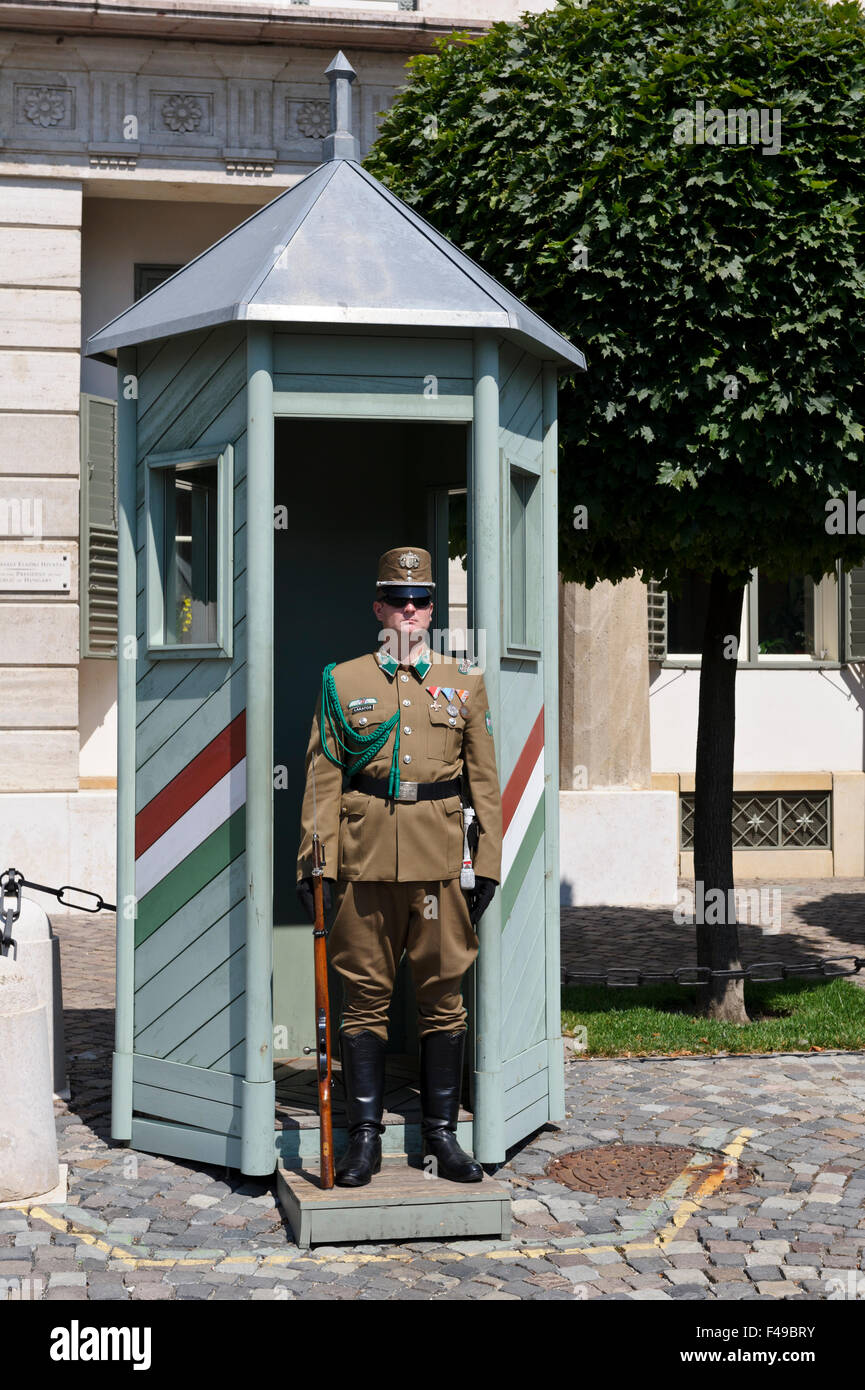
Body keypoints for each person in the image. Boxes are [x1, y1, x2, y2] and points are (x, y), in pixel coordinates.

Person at [296, 545, 502, 1187]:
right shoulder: (344, 681)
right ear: (379, 607)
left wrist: (486, 861)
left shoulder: (462, 682)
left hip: (440, 863)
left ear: (432, 610)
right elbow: (324, 777)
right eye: (397, 600)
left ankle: (442, 1136)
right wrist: (314, 861)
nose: (409, 611)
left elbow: (484, 781)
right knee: (364, 1001)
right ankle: (364, 1139)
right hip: (362, 864)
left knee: (444, 999)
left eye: (420, 601)